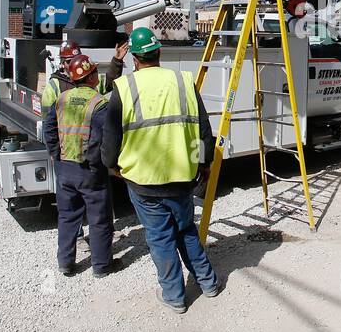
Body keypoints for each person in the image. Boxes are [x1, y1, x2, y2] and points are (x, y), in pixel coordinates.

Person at [100, 27, 219, 313]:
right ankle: (209, 282)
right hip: (181, 176)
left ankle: (175, 296)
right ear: (158, 53)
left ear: (135, 59)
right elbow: (204, 130)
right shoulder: (183, 82)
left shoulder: (125, 88)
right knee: (186, 230)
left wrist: (111, 166)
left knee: (160, 237)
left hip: (144, 180)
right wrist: (203, 165)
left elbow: (110, 138)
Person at [43, 53, 120, 278]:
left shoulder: (62, 99)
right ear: (92, 76)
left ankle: (66, 264)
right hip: (90, 170)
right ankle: (101, 266)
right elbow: (106, 138)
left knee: (67, 216)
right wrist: (108, 164)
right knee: (99, 219)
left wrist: (56, 155)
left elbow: (49, 129)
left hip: (64, 168)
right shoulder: (99, 103)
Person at [41, 40, 127, 109]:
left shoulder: (89, 77)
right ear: (62, 63)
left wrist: (117, 61)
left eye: (77, 59)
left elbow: (109, 83)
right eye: (69, 61)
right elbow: (47, 117)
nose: (74, 63)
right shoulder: (54, 85)